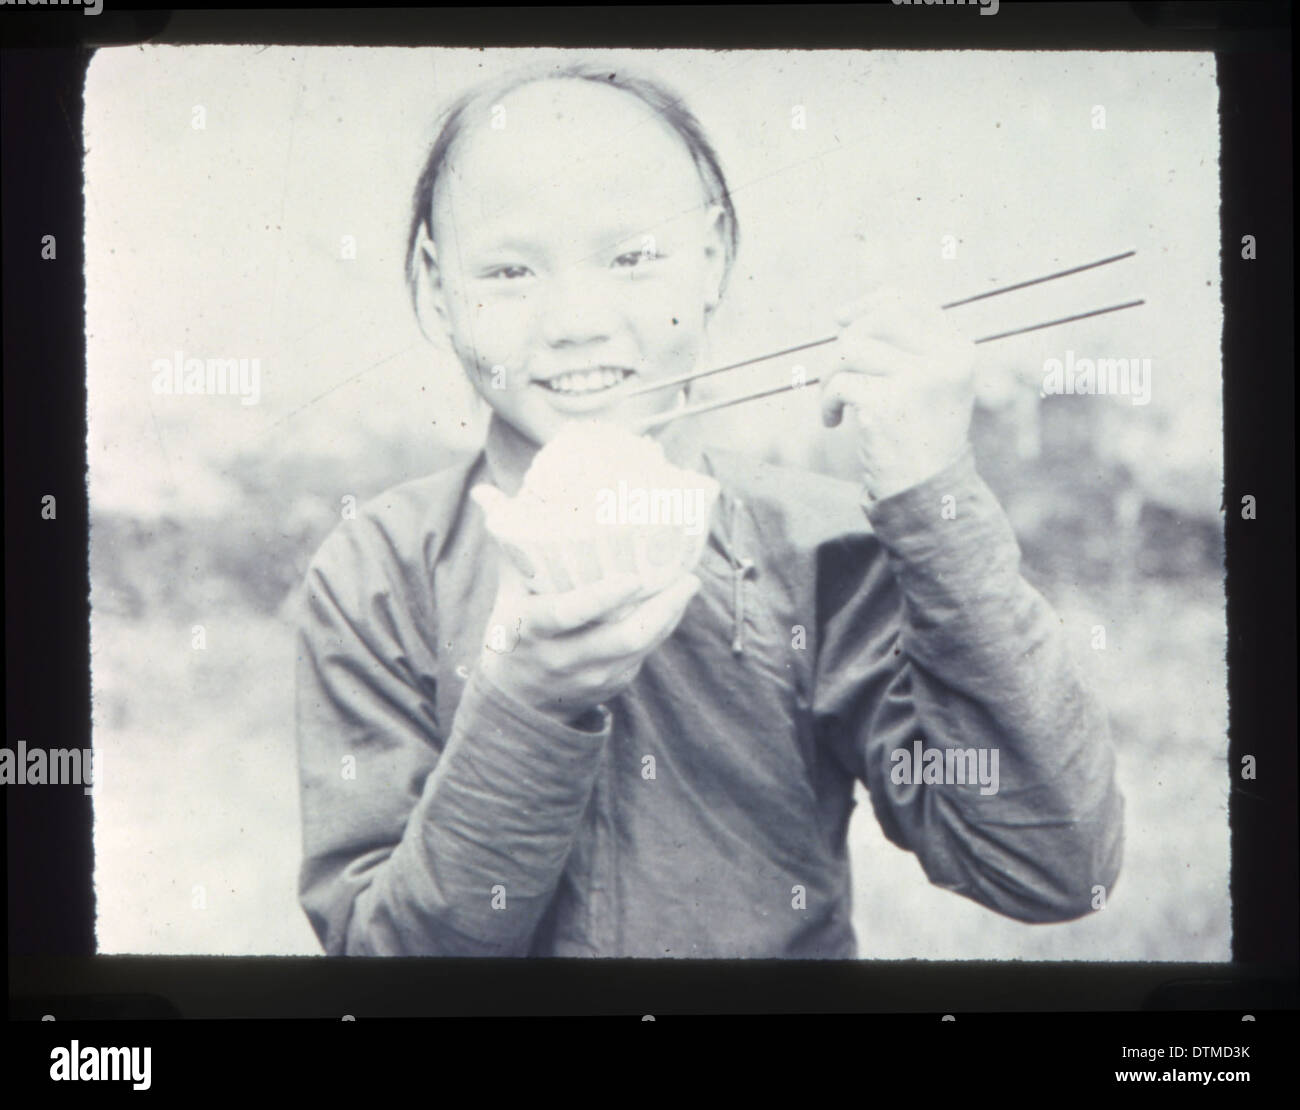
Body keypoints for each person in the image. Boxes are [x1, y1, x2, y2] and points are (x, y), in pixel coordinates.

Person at [293, 61, 1124, 957]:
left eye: (634, 256)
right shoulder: (378, 572)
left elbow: (1053, 866)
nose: (577, 318)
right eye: (509, 269)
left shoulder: (818, 552)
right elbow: (383, 964)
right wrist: (526, 703)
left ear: (714, 255)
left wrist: (935, 501)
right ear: (436, 287)